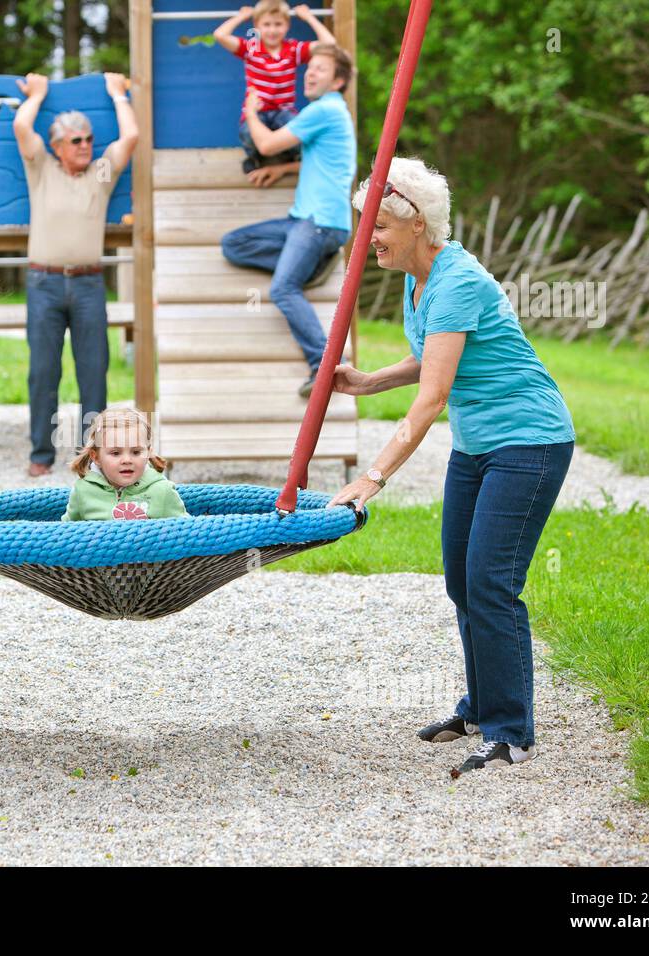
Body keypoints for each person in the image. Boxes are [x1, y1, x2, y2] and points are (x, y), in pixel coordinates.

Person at [326, 157, 577, 779]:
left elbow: (433, 398)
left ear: (417, 225)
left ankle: (510, 730)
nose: (368, 239)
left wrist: (372, 476)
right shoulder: (420, 281)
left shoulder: (458, 279)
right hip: (478, 446)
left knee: (491, 584)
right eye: (365, 226)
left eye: (378, 227)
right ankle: (479, 706)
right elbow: (432, 357)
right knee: (461, 582)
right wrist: (369, 381)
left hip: (528, 442)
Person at [14, 71, 139, 477]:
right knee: (43, 372)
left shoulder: (100, 175)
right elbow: (20, 125)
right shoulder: (42, 169)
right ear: (57, 146)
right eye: (76, 141)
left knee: (93, 372)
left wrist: (119, 95)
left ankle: (91, 455)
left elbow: (131, 138)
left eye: (88, 139)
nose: (85, 146)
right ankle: (40, 454)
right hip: (44, 283)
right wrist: (38, 93)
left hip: (87, 283)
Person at [220, 42, 357, 398]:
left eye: (321, 69)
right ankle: (308, 268)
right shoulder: (329, 112)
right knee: (234, 244)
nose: (310, 72)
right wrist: (284, 169)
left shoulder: (325, 110)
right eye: (309, 67)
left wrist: (250, 110)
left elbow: (265, 145)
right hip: (303, 221)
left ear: (339, 81)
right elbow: (321, 161)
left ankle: (325, 365)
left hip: (320, 222)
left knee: (283, 289)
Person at [213, 2, 334, 175]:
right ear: (257, 26)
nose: (272, 30)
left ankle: (292, 155)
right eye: (266, 24)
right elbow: (219, 35)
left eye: (278, 24)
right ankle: (254, 157)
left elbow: (330, 44)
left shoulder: (293, 49)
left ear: (287, 25)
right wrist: (242, 16)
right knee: (248, 132)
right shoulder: (251, 48)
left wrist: (308, 16)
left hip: (283, 111)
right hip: (258, 110)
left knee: (299, 131)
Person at [61, 408, 188, 521]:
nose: (127, 460)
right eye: (116, 453)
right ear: (96, 457)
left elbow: (187, 531)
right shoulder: (83, 491)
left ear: (148, 453)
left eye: (136, 452)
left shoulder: (162, 491)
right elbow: (66, 534)